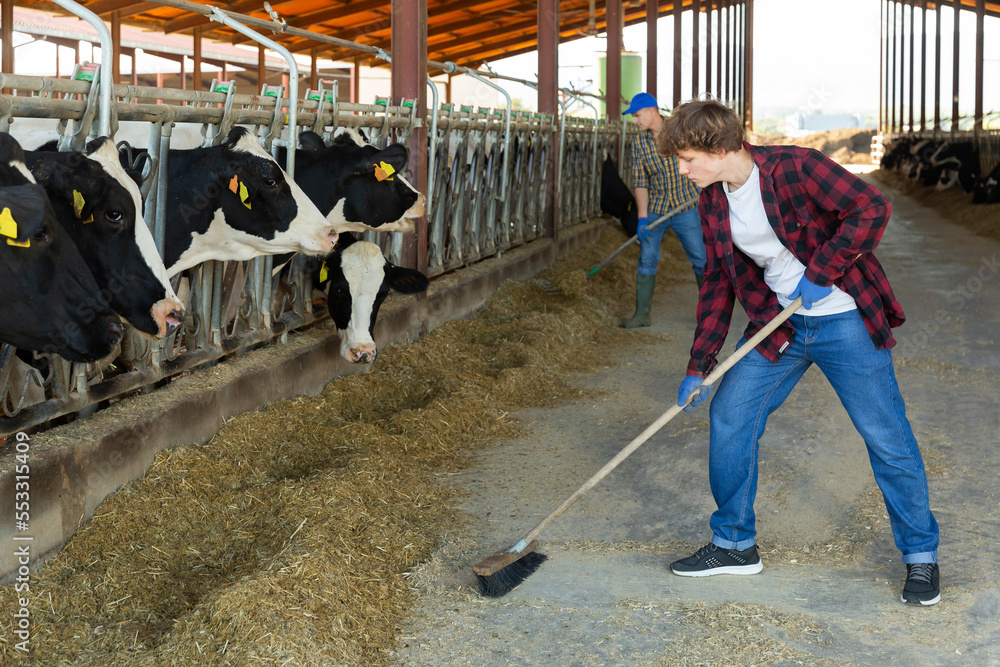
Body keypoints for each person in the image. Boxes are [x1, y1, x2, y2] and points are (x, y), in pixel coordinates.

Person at [657, 99, 941, 606]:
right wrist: (698, 365)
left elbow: (872, 208)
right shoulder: (713, 199)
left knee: (885, 435)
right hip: (778, 327)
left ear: (721, 148)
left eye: (686, 159)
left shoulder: (796, 167)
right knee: (730, 415)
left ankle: (921, 556)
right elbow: (719, 283)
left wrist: (823, 270)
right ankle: (734, 544)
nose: (682, 170)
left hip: (843, 320)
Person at [620, 93, 705, 329]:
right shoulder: (639, 143)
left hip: (686, 206)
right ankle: (642, 314)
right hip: (656, 208)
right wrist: (642, 217)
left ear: (651, 111)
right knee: (646, 259)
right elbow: (640, 182)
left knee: (700, 259)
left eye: (637, 115)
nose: (635, 121)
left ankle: (710, 314)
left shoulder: (681, 131)